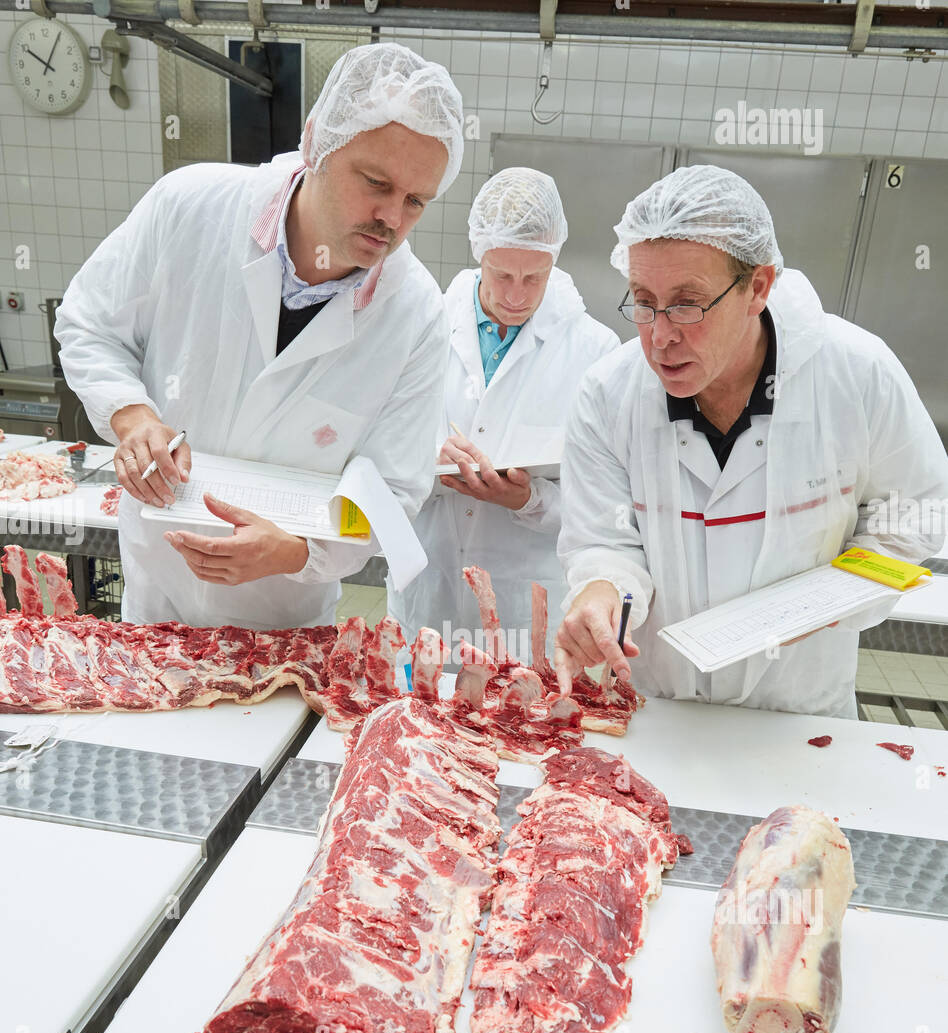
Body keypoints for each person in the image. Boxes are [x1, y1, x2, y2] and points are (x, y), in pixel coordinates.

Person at [55, 43, 464, 630]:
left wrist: (299, 552)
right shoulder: (190, 208)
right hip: (157, 593)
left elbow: (391, 495)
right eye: (376, 183)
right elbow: (88, 322)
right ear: (317, 142)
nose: (392, 219)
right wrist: (134, 419)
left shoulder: (415, 313)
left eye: (416, 201)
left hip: (285, 620)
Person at [555, 165, 948, 718]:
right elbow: (604, 541)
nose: (660, 335)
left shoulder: (855, 374)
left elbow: (917, 511)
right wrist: (602, 591)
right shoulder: (608, 394)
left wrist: (839, 594)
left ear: (757, 288)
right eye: (643, 301)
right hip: (661, 709)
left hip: (799, 711)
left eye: (687, 304)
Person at [388, 167, 619, 663]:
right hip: (428, 587)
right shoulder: (420, 325)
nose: (516, 295)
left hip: (524, 606)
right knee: (420, 725)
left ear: (554, 260)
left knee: (516, 724)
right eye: (502, 275)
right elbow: (371, 450)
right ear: (479, 254)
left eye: (533, 277)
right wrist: (429, 460)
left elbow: (606, 506)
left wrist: (529, 499)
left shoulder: (595, 352)